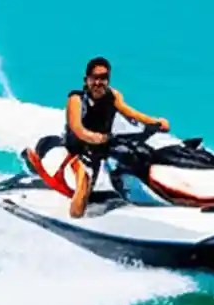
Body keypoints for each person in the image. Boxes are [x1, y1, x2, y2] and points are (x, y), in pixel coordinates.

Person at [65, 57, 169, 218]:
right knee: (84, 183)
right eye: (94, 78)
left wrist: (156, 122)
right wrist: (93, 137)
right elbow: (77, 128)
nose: (98, 82)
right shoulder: (76, 99)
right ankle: (74, 220)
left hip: (102, 147)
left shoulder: (113, 95)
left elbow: (131, 112)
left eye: (103, 78)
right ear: (86, 80)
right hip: (77, 151)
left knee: (137, 156)